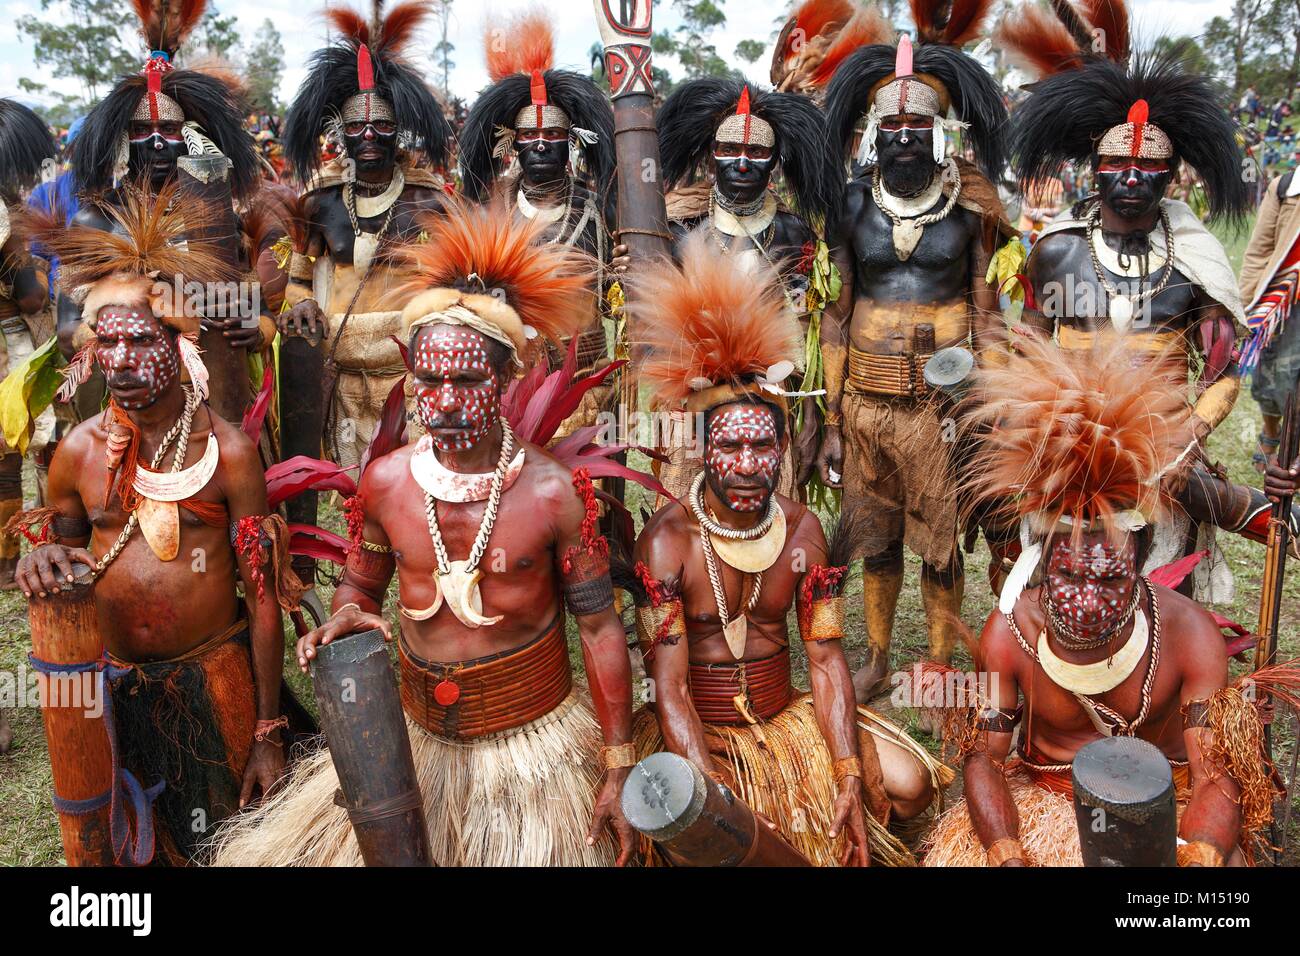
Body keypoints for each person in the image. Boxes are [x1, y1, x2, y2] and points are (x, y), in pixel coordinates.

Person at [210, 200, 638, 866]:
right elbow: (360, 582)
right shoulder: (385, 482)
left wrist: (616, 762)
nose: (442, 399)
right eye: (428, 379)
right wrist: (346, 614)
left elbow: (601, 627)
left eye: (466, 380)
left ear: (504, 379)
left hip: (532, 745)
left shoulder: (553, 491)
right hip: (415, 737)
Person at [629, 233, 949, 867]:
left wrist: (849, 772)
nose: (748, 466)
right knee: (720, 837)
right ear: (703, 449)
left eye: (762, 448)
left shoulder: (802, 533)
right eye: (730, 448)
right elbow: (670, 688)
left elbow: (827, 661)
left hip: (785, 716)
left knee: (908, 786)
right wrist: (708, 794)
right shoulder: (666, 543)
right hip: (703, 736)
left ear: (784, 449)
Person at [924, 335, 1281, 867]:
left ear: (1138, 567)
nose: (1088, 602)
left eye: (1110, 580)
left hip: (1165, 803)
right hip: (1046, 799)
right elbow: (985, 760)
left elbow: (1214, 774)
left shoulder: (1188, 633)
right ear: (1043, 565)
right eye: (1070, 576)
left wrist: (1198, 854)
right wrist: (1006, 852)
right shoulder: (1011, 633)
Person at [14, 185, 293, 863]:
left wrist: (266, 731)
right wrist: (40, 561)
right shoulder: (77, 452)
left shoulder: (228, 453)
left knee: (224, 841)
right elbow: (66, 557)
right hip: (114, 690)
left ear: (178, 344)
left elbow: (261, 597)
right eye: (107, 344)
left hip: (211, 681)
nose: (122, 362)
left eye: (141, 340)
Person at [1002, 0, 1251, 601]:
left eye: (1149, 168)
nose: (1133, 178)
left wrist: (1187, 433)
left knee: (1159, 598)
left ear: (1172, 179)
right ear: (1095, 172)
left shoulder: (1195, 261)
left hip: (1163, 455)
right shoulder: (1055, 252)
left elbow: (1223, 374)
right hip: (1067, 453)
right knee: (1066, 593)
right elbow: (1027, 349)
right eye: (1118, 164)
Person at [819, 0, 1017, 699]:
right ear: (876, 132)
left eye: (917, 125)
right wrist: (834, 422)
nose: (905, 137)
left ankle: (934, 666)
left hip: (943, 407)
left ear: (940, 131)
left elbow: (988, 313)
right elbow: (836, 319)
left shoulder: (973, 206)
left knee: (939, 540)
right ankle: (877, 657)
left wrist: (989, 408)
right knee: (873, 539)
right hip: (867, 401)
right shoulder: (848, 205)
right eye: (892, 125)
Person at [276, 0, 453, 467]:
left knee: (414, 485)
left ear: (400, 133)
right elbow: (296, 283)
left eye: (382, 125)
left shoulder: (431, 203)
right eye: (358, 125)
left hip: (410, 373)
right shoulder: (318, 203)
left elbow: (457, 286)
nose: (370, 135)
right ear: (341, 134)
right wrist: (304, 307)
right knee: (358, 493)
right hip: (344, 372)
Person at [655, 77, 844, 495]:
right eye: (729, 151)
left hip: (770, 404)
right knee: (689, 512)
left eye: (756, 152)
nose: (742, 164)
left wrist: (812, 413)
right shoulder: (681, 231)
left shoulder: (795, 234)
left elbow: (806, 332)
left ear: (775, 162)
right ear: (710, 158)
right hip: (694, 403)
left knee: (768, 513)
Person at [458, 8, 619, 438]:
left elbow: (620, 296)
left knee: (588, 499)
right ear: (512, 143)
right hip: (513, 378)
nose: (543, 145)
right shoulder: (491, 214)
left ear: (572, 144)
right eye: (531, 136)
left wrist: (623, 274)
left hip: (586, 378)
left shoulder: (601, 210)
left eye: (554, 136)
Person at [0, 99, 56, 590]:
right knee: (29, 445)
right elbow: (32, 299)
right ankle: (17, 558)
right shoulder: (12, 222)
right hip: (11, 347)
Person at [1238, 168, 1300, 471]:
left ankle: (1292, 448)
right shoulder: (1286, 187)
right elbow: (1259, 250)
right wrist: (1246, 303)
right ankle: (1272, 432)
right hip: (1285, 299)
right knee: (1274, 376)